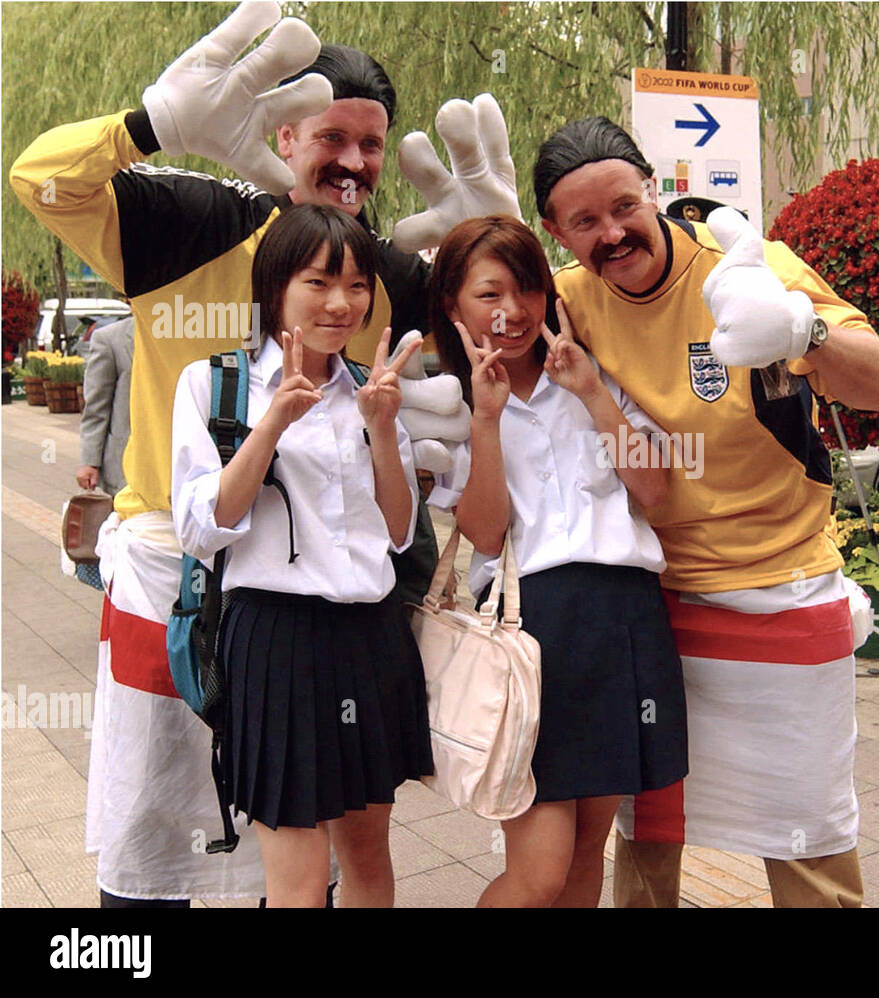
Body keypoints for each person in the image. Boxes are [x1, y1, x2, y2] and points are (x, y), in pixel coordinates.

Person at [9, 1, 508, 905]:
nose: (354, 163)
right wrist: (151, 125)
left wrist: (495, 248)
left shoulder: (384, 273)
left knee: (308, 847)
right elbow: (41, 178)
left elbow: (512, 351)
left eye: (371, 144)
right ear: (283, 133)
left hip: (321, 602)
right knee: (151, 829)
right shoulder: (187, 220)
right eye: (332, 137)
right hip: (174, 569)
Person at [533, 117, 879, 908]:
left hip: (784, 588)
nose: (613, 234)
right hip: (654, 604)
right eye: (585, 222)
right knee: (647, 834)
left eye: (623, 206)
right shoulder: (566, 299)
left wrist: (801, 329)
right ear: (557, 233)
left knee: (810, 836)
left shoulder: (746, 266)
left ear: (652, 188)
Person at [171, 204, 431, 906]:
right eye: (319, 282)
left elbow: (400, 532)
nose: (341, 303)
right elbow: (201, 528)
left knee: (369, 857)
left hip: (371, 637)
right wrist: (273, 423)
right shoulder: (216, 385)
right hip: (276, 643)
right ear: (276, 286)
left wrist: (383, 429)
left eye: (357, 285)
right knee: (299, 878)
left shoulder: (370, 389)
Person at [427, 215, 688, 907]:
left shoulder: (596, 377)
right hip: (532, 630)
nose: (513, 311)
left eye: (528, 289)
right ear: (453, 306)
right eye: (489, 295)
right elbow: (485, 536)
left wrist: (593, 394)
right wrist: (486, 419)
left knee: (584, 857)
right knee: (538, 873)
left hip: (622, 618)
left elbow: (654, 491)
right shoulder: (450, 408)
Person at [76, 316, 133, 496]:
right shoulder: (109, 338)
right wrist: (90, 461)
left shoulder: (185, 335)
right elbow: (97, 405)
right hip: (126, 464)